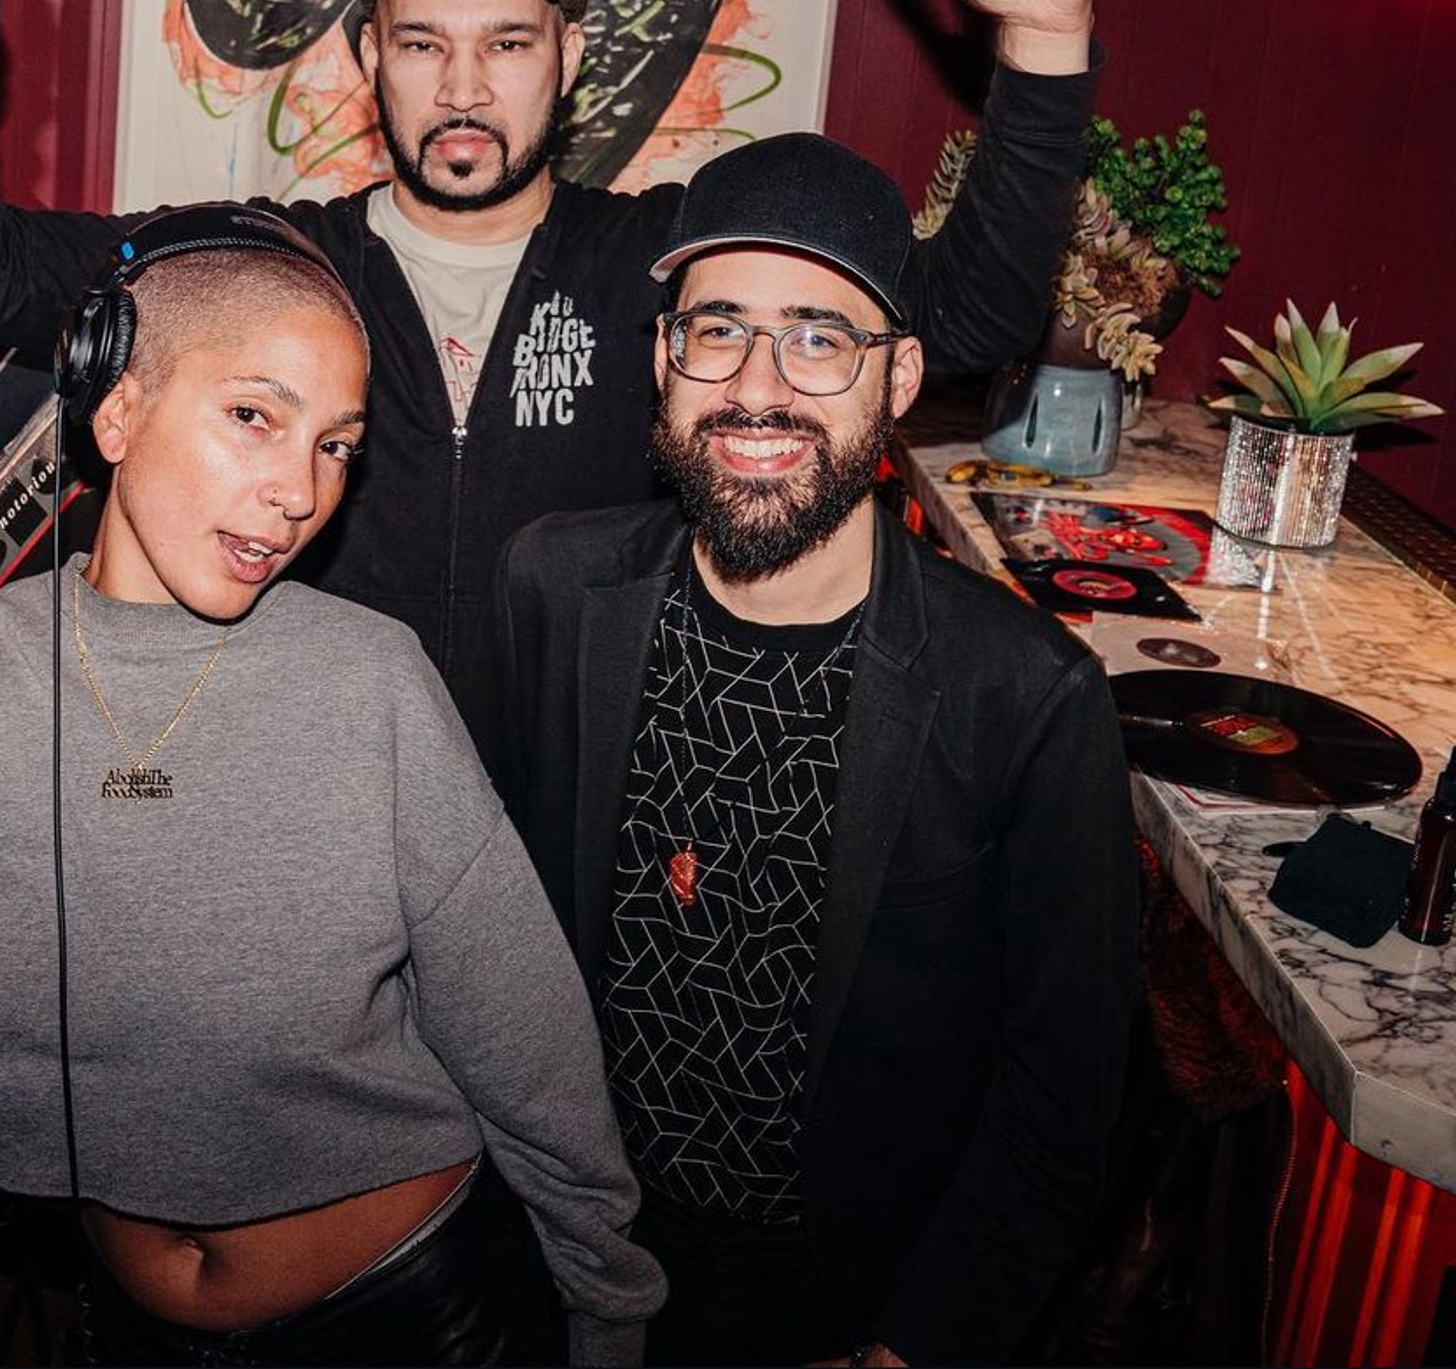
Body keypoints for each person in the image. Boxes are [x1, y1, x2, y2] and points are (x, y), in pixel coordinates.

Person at [0, 0, 1101, 750]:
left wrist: (1044, 43)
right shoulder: (266, 268)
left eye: (508, 44)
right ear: (369, 62)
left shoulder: (670, 264)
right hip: (316, 823)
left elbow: (969, 311)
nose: (463, 84)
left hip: (586, 842)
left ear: (568, 61)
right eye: (421, 43)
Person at [0, 210, 666, 1367]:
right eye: (253, 416)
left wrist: (607, 1312)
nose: (299, 491)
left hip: (407, 1311)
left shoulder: (368, 680)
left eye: (334, 445)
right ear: (115, 409)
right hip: (118, 1324)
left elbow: (522, 1031)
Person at [486, 134, 1140, 1368]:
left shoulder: (1023, 696)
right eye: (716, 329)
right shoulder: (553, 589)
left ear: (896, 381)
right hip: (561, 1259)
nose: (756, 387)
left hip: (833, 1308)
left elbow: (1057, 1104)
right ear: (665, 359)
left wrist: (908, 1349)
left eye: (819, 338)